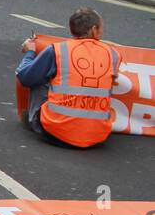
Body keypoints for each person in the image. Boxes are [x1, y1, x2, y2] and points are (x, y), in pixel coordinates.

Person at [16, 8, 118, 149]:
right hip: (97, 135)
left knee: (41, 78)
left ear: (72, 31)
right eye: (101, 28)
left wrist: (30, 53)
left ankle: (33, 119)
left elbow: (26, 77)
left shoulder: (58, 50)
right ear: (94, 30)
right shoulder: (112, 54)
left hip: (56, 132)